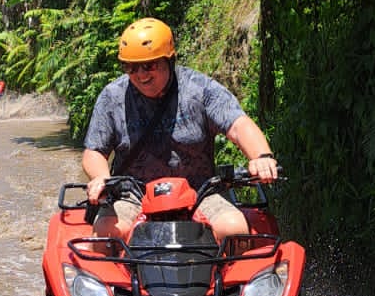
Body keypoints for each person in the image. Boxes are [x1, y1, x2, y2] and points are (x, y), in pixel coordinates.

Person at [82, 17, 278, 243]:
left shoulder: (199, 89)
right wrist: (101, 178)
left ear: (169, 60)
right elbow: (94, 150)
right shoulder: (112, 96)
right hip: (132, 195)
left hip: (199, 192)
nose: (141, 74)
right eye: (131, 67)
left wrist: (261, 157)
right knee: (107, 234)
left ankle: (230, 279)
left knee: (233, 229)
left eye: (149, 65)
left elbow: (238, 124)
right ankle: (114, 280)